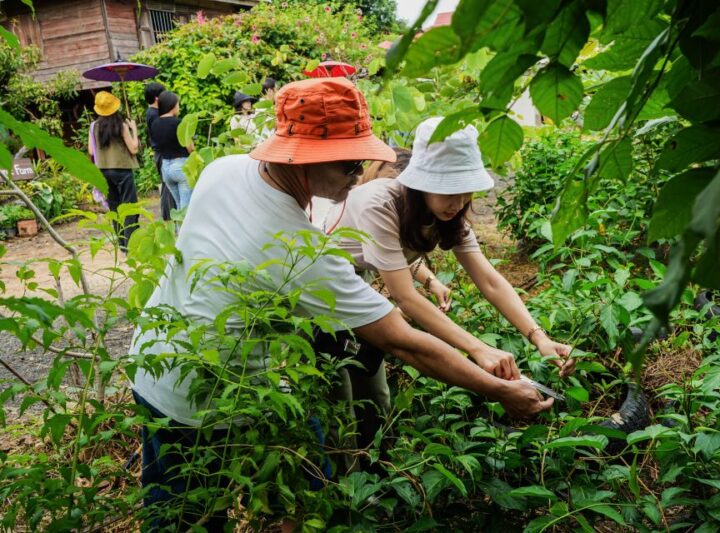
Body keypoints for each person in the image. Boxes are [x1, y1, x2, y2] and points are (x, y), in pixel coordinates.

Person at [129, 78, 552, 531]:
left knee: (308, 485)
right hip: (192, 395)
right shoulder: (302, 253)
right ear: (307, 158)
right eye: (351, 162)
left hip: (183, 360)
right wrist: (500, 390)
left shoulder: (224, 169)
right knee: (188, 517)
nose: (359, 173)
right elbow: (405, 343)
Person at [328, 117, 576, 438]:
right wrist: (479, 349)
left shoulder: (448, 216)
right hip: (318, 283)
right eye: (447, 190)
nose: (457, 203)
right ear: (421, 182)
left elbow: (489, 280)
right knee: (336, 396)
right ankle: (339, 471)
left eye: (464, 191)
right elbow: (405, 297)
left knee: (373, 396)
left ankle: (372, 466)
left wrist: (539, 337)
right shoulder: (379, 204)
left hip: (358, 281)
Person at [88, 91, 140, 251]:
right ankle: (131, 242)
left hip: (103, 172)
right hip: (122, 170)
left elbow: (91, 151)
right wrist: (134, 130)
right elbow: (134, 148)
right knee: (129, 206)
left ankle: (122, 244)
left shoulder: (93, 127)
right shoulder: (121, 125)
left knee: (115, 207)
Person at [150, 90, 193, 210]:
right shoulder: (179, 123)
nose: (178, 107)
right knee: (186, 209)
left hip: (166, 168)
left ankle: (179, 229)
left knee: (179, 207)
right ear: (172, 105)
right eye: (178, 104)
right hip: (181, 167)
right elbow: (190, 148)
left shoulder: (154, 124)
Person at [144, 82, 176, 221]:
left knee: (166, 185)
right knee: (168, 186)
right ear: (157, 98)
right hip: (162, 153)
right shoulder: (154, 115)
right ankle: (169, 216)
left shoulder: (153, 113)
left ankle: (168, 216)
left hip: (160, 153)